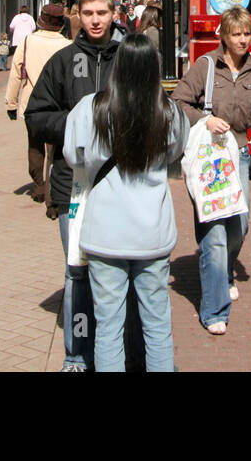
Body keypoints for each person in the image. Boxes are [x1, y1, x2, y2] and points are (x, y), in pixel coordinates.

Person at [24, 0, 139, 371]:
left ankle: (118, 349)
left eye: (102, 13)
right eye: (88, 13)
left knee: (122, 271)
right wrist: (79, 124)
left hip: (122, 185)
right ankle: (77, 353)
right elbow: (36, 116)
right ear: (79, 14)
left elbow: (152, 112)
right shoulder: (62, 60)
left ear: (113, 13)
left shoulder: (130, 59)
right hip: (71, 185)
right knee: (77, 273)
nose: (95, 20)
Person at [62, 34, 190, 371]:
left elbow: (73, 156)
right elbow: (175, 152)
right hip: (152, 234)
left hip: (105, 233)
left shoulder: (92, 108)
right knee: (158, 324)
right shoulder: (169, 112)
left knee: (108, 327)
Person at [172, 6, 251, 335]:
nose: (243, 40)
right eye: (237, 34)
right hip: (210, 157)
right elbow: (178, 102)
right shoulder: (206, 66)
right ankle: (214, 309)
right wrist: (205, 119)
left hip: (239, 154)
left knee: (239, 226)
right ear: (224, 37)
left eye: (247, 34)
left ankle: (223, 271)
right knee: (214, 232)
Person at [5, 4, 71, 203]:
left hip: (31, 103)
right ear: (60, 25)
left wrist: (11, 103)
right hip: (58, 105)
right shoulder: (67, 45)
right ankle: (52, 197)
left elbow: (16, 74)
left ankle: (38, 186)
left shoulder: (27, 42)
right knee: (54, 151)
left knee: (35, 147)